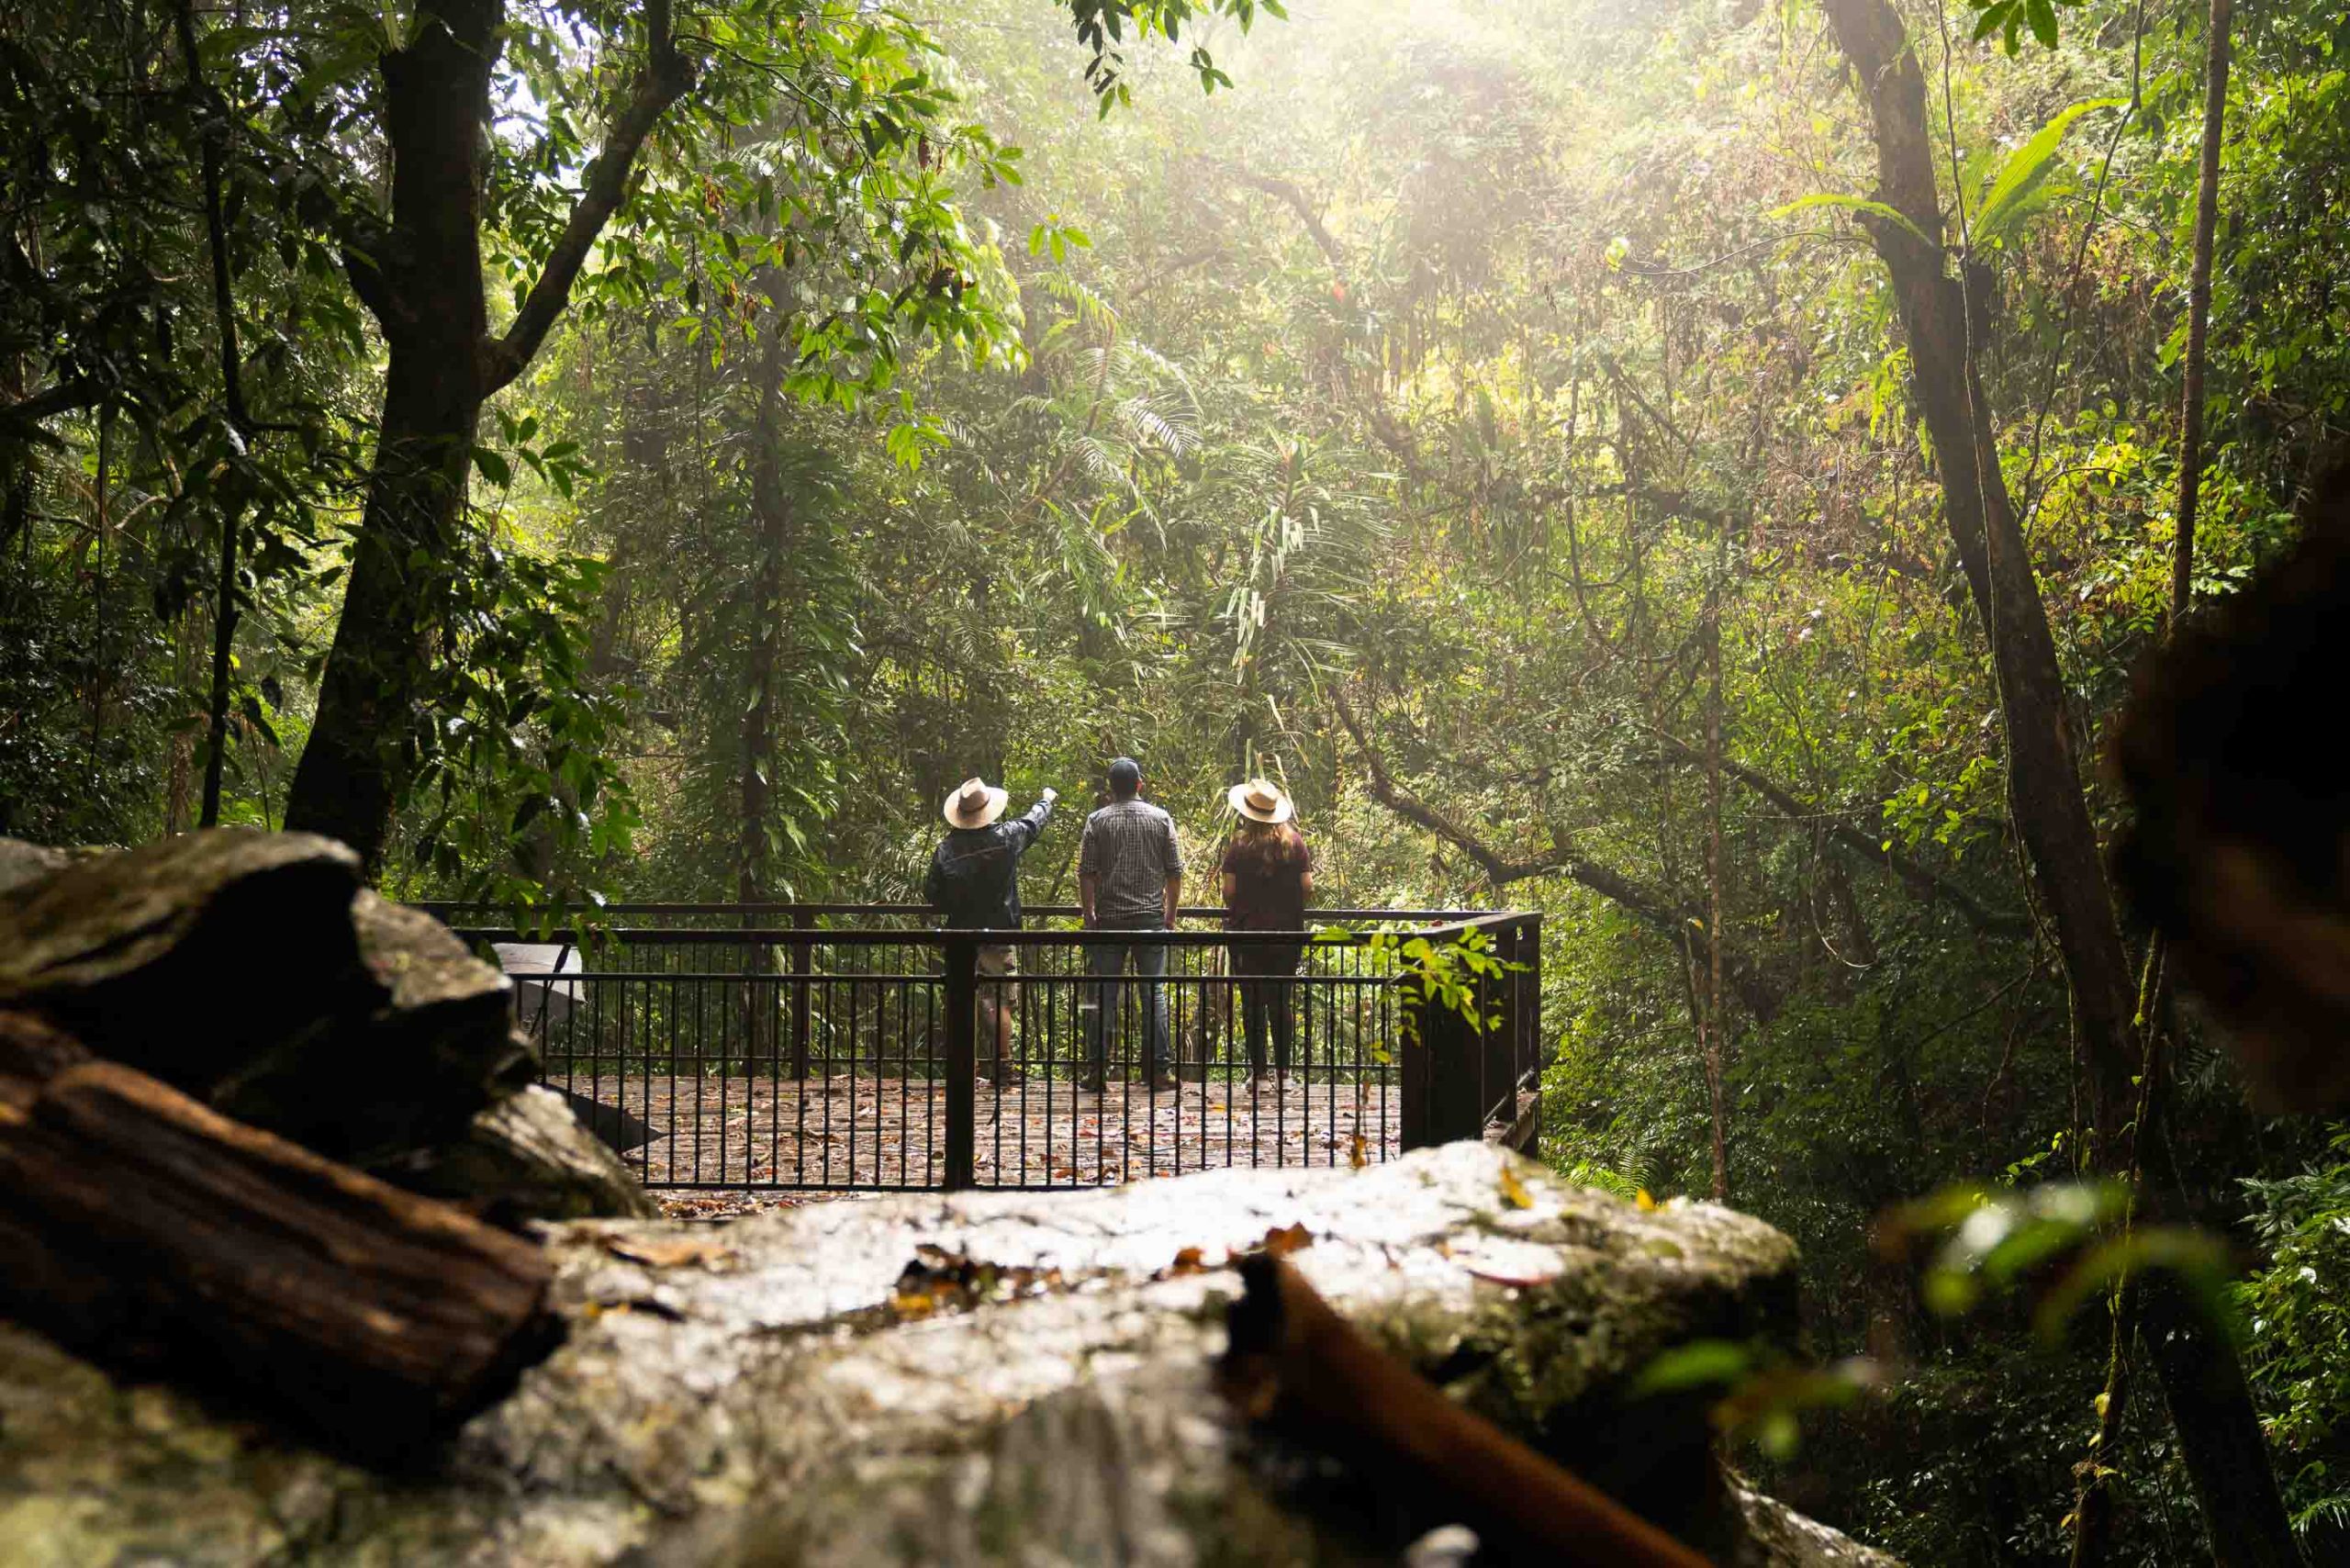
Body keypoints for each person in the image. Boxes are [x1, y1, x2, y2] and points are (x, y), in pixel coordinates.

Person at [924, 777, 1057, 1081]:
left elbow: (933, 893)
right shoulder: (1006, 838)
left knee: (962, 998)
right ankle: (1003, 1064)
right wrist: (1046, 800)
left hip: (960, 935)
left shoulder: (946, 850)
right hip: (998, 931)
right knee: (998, 999)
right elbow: (1032, 823)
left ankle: (963, 1066)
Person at [1078, 756, 1184, 1092]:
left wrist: (1089, 915)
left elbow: (1087, 873)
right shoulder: (1161, 819)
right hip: (1151, 919)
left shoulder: (1098, 821)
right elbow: (1174, 871)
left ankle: (1098, 1071)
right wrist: (1170, 916)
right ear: (1139, 784)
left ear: (1110, 788)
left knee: (1103, 995)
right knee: (1153, 993)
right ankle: (1157, 1071)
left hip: (1109, 920)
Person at [1219, 778, 1315, 1084]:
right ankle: (1285, 1073)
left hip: (1248, 936)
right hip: (1286, 936)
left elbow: (1228, 891)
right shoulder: (1295, 844)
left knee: (1252, 1002)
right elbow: (1307, 887)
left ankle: (1259, 1073)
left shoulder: (1238, 847)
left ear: (1247, 813)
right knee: (1280, 1001)